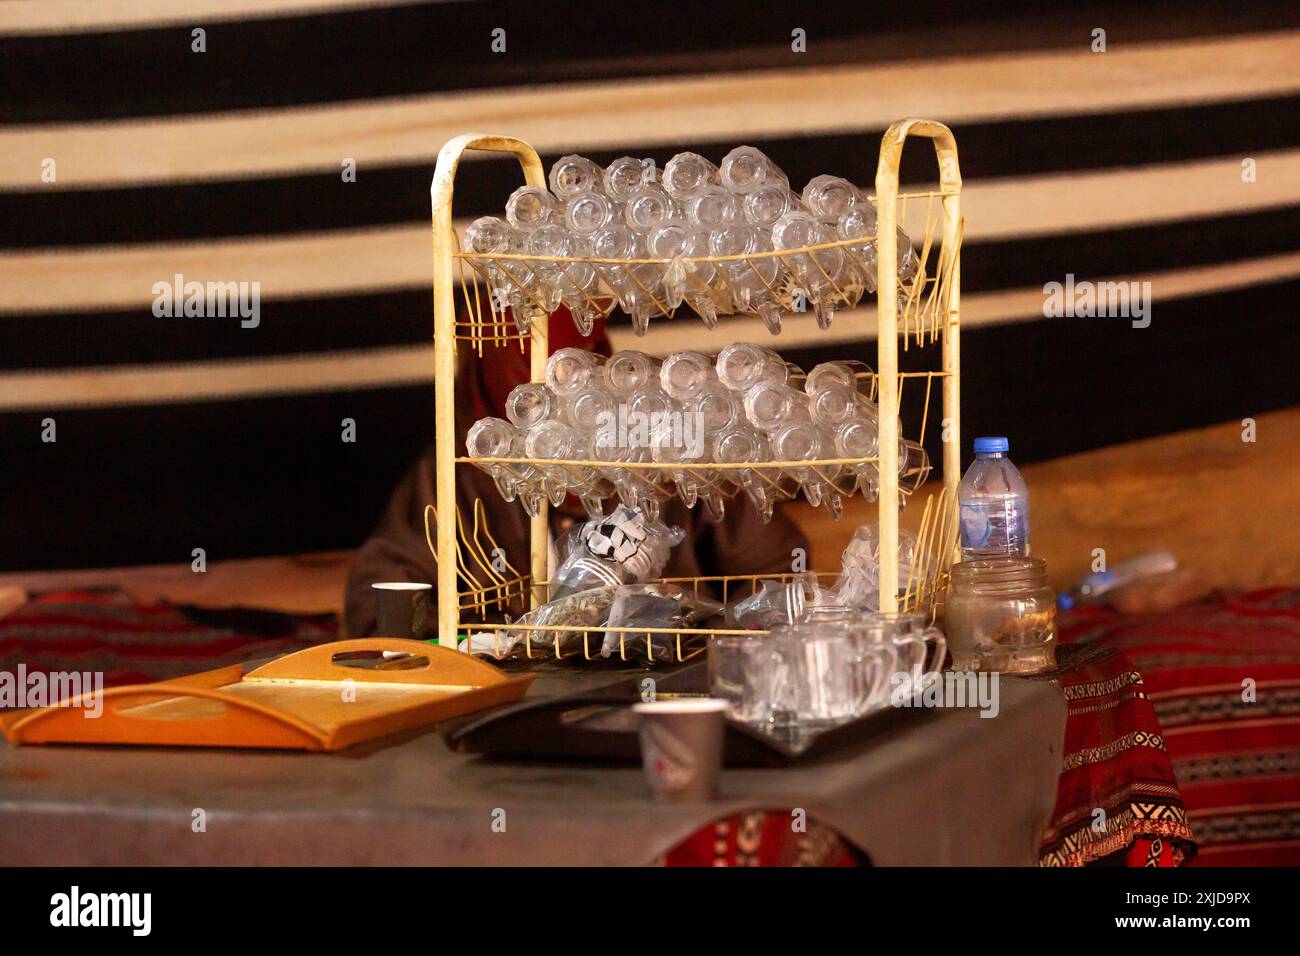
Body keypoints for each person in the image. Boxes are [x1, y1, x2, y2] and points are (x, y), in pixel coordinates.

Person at [344, 308, 808, 638]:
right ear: (492, 378)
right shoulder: (456, 478)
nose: (552, 400)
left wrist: (698, 630)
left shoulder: (664, 452)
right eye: (529, 380)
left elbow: (782, 574)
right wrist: (483, 645)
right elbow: (378, 602)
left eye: (574, 369)